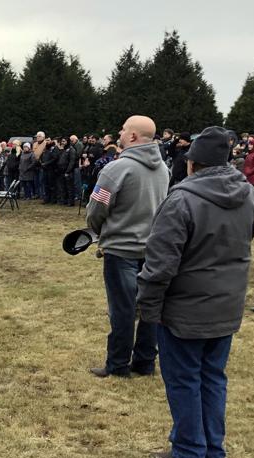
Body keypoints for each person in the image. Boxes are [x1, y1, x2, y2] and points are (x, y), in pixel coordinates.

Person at [137, 126, 254, 458]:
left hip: (185, 310)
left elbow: (159, 264)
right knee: (212, 376)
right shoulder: (249, 194)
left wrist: (148, 307)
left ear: (192, 164)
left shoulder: (181, 200)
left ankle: (191, 450)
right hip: (225, 305)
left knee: (185, 379)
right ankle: (211, 449)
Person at [86, 115, 170, 378]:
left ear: (132, 136)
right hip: (153, 250)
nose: (119, 133)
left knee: (122, 311)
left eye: (123, 130)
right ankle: (145, 361)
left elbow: (96, 210)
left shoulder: (116, 169)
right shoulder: (164, 169)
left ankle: (118, 364)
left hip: (121, 250)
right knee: (149, 310)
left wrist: (100, 233)